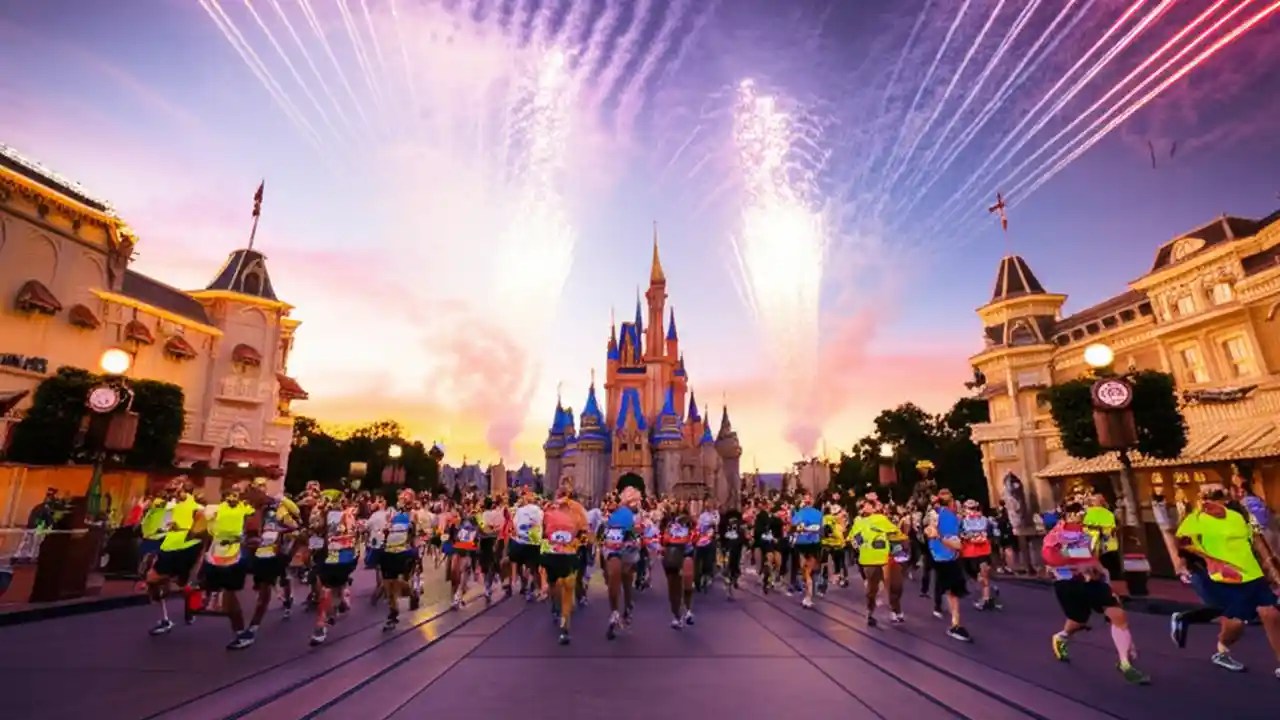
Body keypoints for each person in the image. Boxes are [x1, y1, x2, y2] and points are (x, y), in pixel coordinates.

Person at [1176, 484, 1280, 677]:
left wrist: (1271, 564)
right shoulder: (1195, 519)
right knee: (1237, 624)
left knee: (1271, 614)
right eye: (1206, 496)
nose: (1210, 500)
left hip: (1252, 573)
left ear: (1225, 499)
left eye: (1216, 496)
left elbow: (1256, 539)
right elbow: (1184, 547)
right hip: (1224, 578)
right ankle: (1221, 649)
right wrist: (1182, 566)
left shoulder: (1239, 516)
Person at [1045, 501, 1150, 684]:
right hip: (1068, 584)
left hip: (1093, 583)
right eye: (1076, 514)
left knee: (1118, 614)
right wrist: (1077, 562)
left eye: (1082, 513)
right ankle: (1062, 637)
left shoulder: (1085, 534)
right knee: (1078, 621)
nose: (1080, 516)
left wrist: (1103, 575)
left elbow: (1091, 557)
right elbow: (1053, 558)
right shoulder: (1055, 536)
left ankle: (1124, 663)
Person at [542, 485, 587, 645]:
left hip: (557, 554)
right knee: (563, 589)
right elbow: (584, 533)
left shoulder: (551, 510)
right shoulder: (574, 511)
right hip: (563, 555)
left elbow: (542, 533)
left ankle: (560, 617)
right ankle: (562, 621)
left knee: (560, 586)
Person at [851, 496, 907, 625]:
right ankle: (870, 612)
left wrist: (900, 540)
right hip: (870, 559)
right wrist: (858, 543)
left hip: (888, 557)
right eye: (865, 505)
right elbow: (853, 539)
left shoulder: (882, 519)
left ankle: (896, 610)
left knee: (896, 585)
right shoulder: (858, 522)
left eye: (872, 504)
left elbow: (896, 532)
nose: (869, 507)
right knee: (872, 589)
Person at [926, 489, 972, 642]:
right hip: (945, 557)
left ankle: (954, 621)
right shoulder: (943, 516)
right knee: (952, 591)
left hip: (943, 556)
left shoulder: (941, 515)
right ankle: (955, 624)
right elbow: (951, 541)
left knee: (951, 590)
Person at [603, 487, 642, 639]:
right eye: (631, 500)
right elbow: (605, 530)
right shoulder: (614, 514)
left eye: (635, 501)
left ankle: (627, 606)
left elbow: (647, 532)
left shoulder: (639, 516)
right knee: (613, 578)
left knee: (626, 580)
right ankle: (614, 612)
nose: (634, 503)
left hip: (629, 551)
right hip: (613, 549)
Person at [660, 501, 696, 629]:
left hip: (686, 553)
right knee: (673, 588)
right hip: (671, 555)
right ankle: (676, 615)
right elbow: (664, 539)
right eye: (678, 504)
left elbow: (696, 536)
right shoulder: (669, 524)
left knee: (687, 581)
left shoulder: (692, 523)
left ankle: (688, 610)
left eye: (682, 504)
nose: (680, 506)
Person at [791, 494, 824, 609]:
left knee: (806, 570)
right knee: (808, 571)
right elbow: (822, 530)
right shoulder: (818, 514)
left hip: (803, 544)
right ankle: (809, 594)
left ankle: (808, 595)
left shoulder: (799, 513)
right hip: (811, 544)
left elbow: (793, 527)